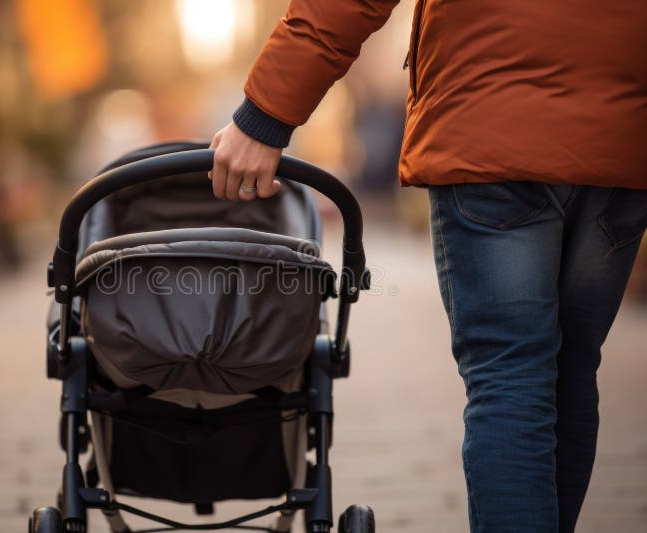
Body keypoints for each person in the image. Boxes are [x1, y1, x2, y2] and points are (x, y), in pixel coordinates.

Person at [207, 1, 647, 532]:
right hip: (621, 131)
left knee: (512, 375)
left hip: (492, 124)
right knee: (571, 372)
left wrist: (265, 116)